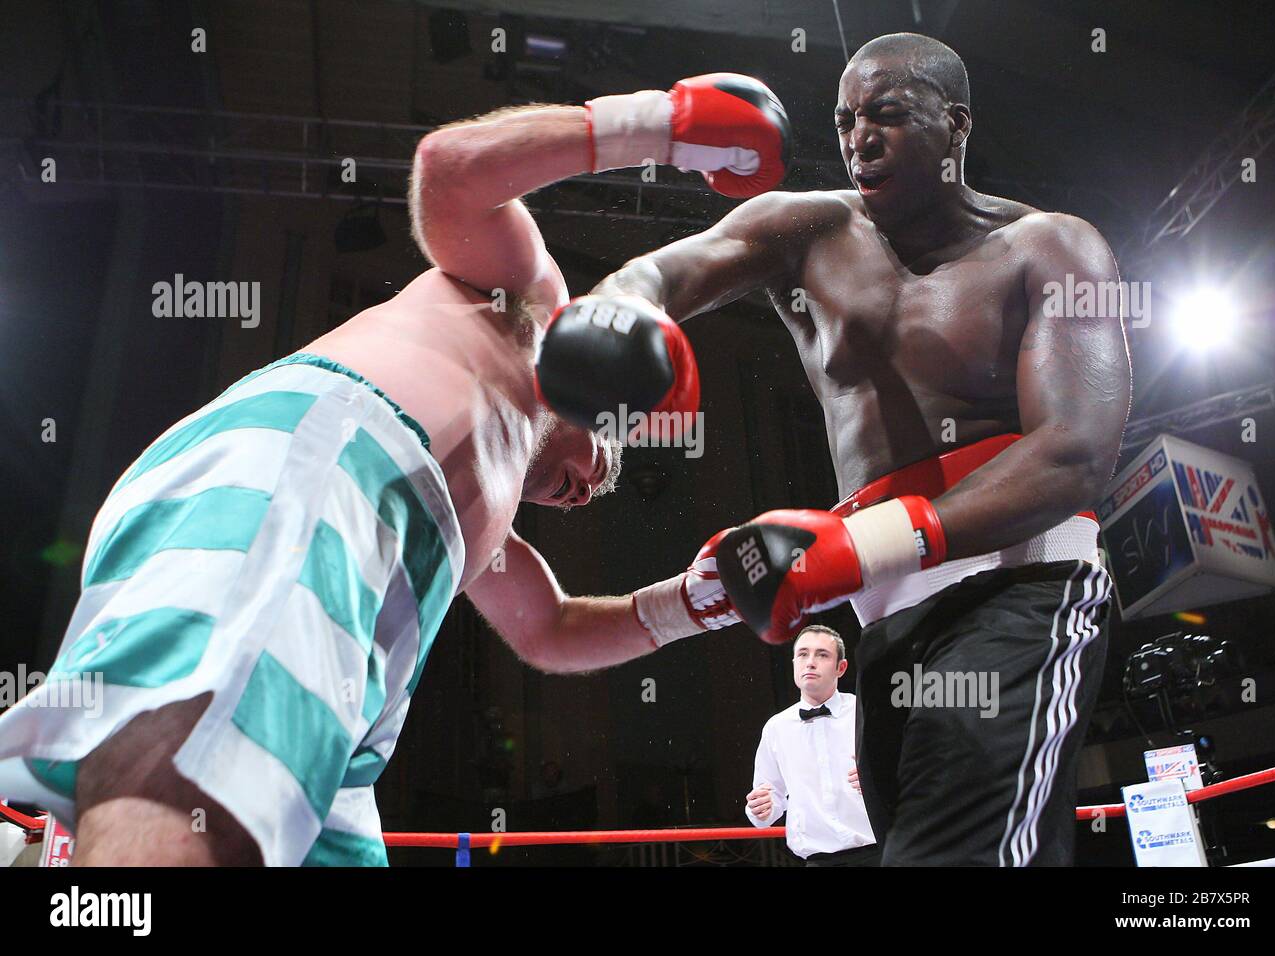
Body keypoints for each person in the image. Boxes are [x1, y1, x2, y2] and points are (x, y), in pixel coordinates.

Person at [0, 73, 790, 866]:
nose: (590, 491)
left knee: (257, 813)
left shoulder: (483, 529)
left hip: (366, 612)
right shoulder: (532, 305)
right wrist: (662, 125)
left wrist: (696, 603)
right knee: (189, 776)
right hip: (317, 467)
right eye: (603, 462)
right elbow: (449, 171)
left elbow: (549, 632)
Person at [568, 33, 1130, 865]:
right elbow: (656, 274)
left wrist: (859, 544)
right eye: (845, 120)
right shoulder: (805, 232)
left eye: (889, 115)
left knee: (953, 847)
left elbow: (1076, 452)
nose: (859, 138)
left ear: (957, 124)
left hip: (1025, 586)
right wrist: (615, 327)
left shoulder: (1050, 247)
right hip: (885, 620)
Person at [745, 625, 878, 866]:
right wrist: (758, 810)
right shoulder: (776, 728)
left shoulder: (866, 713)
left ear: (841, 667)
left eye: (822, 655)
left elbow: (907, 776)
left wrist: (879, 778)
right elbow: (768, 800)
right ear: (794, 663)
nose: (810, 662)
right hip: (816, 860)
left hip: (877, 854)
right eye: (803, 654)